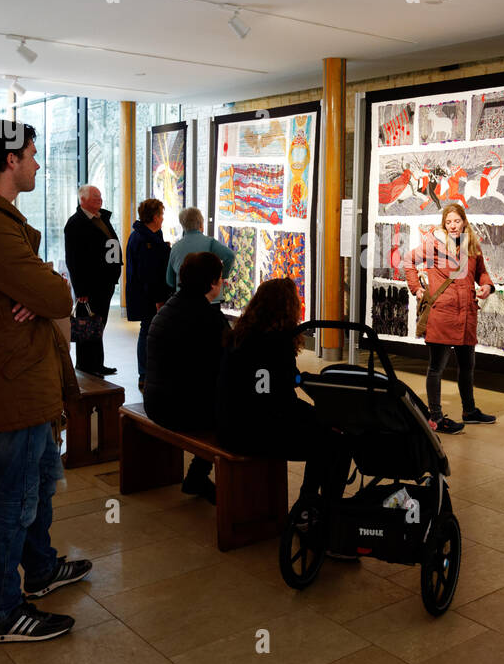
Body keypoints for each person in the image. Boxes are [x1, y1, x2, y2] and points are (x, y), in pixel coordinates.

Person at [0, 119, 92, 644]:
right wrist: (47, 287)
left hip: (25, 374)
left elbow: (45, 290)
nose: (36, 162)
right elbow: (57, 297)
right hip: (15, 378)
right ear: (9, 161)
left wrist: (41, 287)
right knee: (16, 497)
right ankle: (3, 613)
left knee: (41, 480)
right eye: (30, 153)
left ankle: (42, 568)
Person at [216, 278, 348, 511]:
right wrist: (320, 413)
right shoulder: (277, 344)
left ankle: (309, 505)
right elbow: (278, 402)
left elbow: (276, 387)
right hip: (253, 433)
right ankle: (322, 509)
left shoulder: (240, 335)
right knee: (335, 441)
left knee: (325, 429)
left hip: (231, 425)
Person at [405, 202, 496, 435]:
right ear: (443, 225)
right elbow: (408, 261)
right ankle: (435, 418)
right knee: (436, 367)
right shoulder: (433, 245)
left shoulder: (472, 246)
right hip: (442, 314)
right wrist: (416, 288)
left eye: (456, 221)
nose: (453, 225)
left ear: (464, 221)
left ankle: (469, 411)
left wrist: (486, 286)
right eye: (449, 222)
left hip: (466, 314)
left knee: (467, 367)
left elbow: (482, 273)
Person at [145, 252, 228, 503]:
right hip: (179, 409)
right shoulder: (208, 318)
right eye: (221, 278)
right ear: (212, 283)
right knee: (234, 414)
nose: (223, 282)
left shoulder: (169, 308)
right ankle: (231, 489)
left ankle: (196, 478)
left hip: (155, 403)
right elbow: (228, 365)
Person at [64, 184, 123, 377]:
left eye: (100, 196)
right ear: (83, 200)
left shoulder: (101, 219)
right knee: (87, 325)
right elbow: (73, 260)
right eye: (95, 197)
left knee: (98, 325)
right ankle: (86, 364)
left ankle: (97, 363)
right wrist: (80, 290)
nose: (100, 199)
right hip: (88, 286)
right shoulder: (75, 223)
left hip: (104, 283)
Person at [125, 199, 172, 392]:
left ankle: (148, 373)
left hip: (147, 295)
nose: (162, 218)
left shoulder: (150, 236)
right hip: (148, 297)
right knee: (147, 332)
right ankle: (145, 374)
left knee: (148, 331)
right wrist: (159, 299)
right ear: (154, 217)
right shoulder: (144, 240)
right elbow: (148, 274)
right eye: (161, 214)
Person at [166, 207, 234, 294]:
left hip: (183, 299)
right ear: (201, 224)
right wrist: (221, 276)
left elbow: (170, 280)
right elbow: (230, 256)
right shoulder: (210, 243)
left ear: (183, 226)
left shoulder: (175, 247)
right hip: (208, 298)